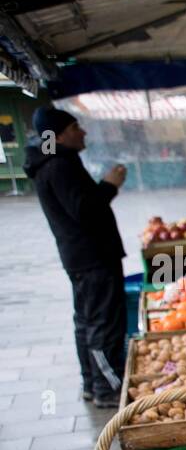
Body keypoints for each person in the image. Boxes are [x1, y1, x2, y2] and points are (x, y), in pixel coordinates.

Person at [23, 106, 127, 408]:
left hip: (82, 258)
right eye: (75, 127)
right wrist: (109, 185)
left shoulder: (53, 162)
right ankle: (107, 388)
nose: (82, 132)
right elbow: (85, 211)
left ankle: (92, 384)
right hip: (92, 258)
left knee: (87, 321)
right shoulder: (58, 166)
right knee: (103, 324)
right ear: (57, 136)